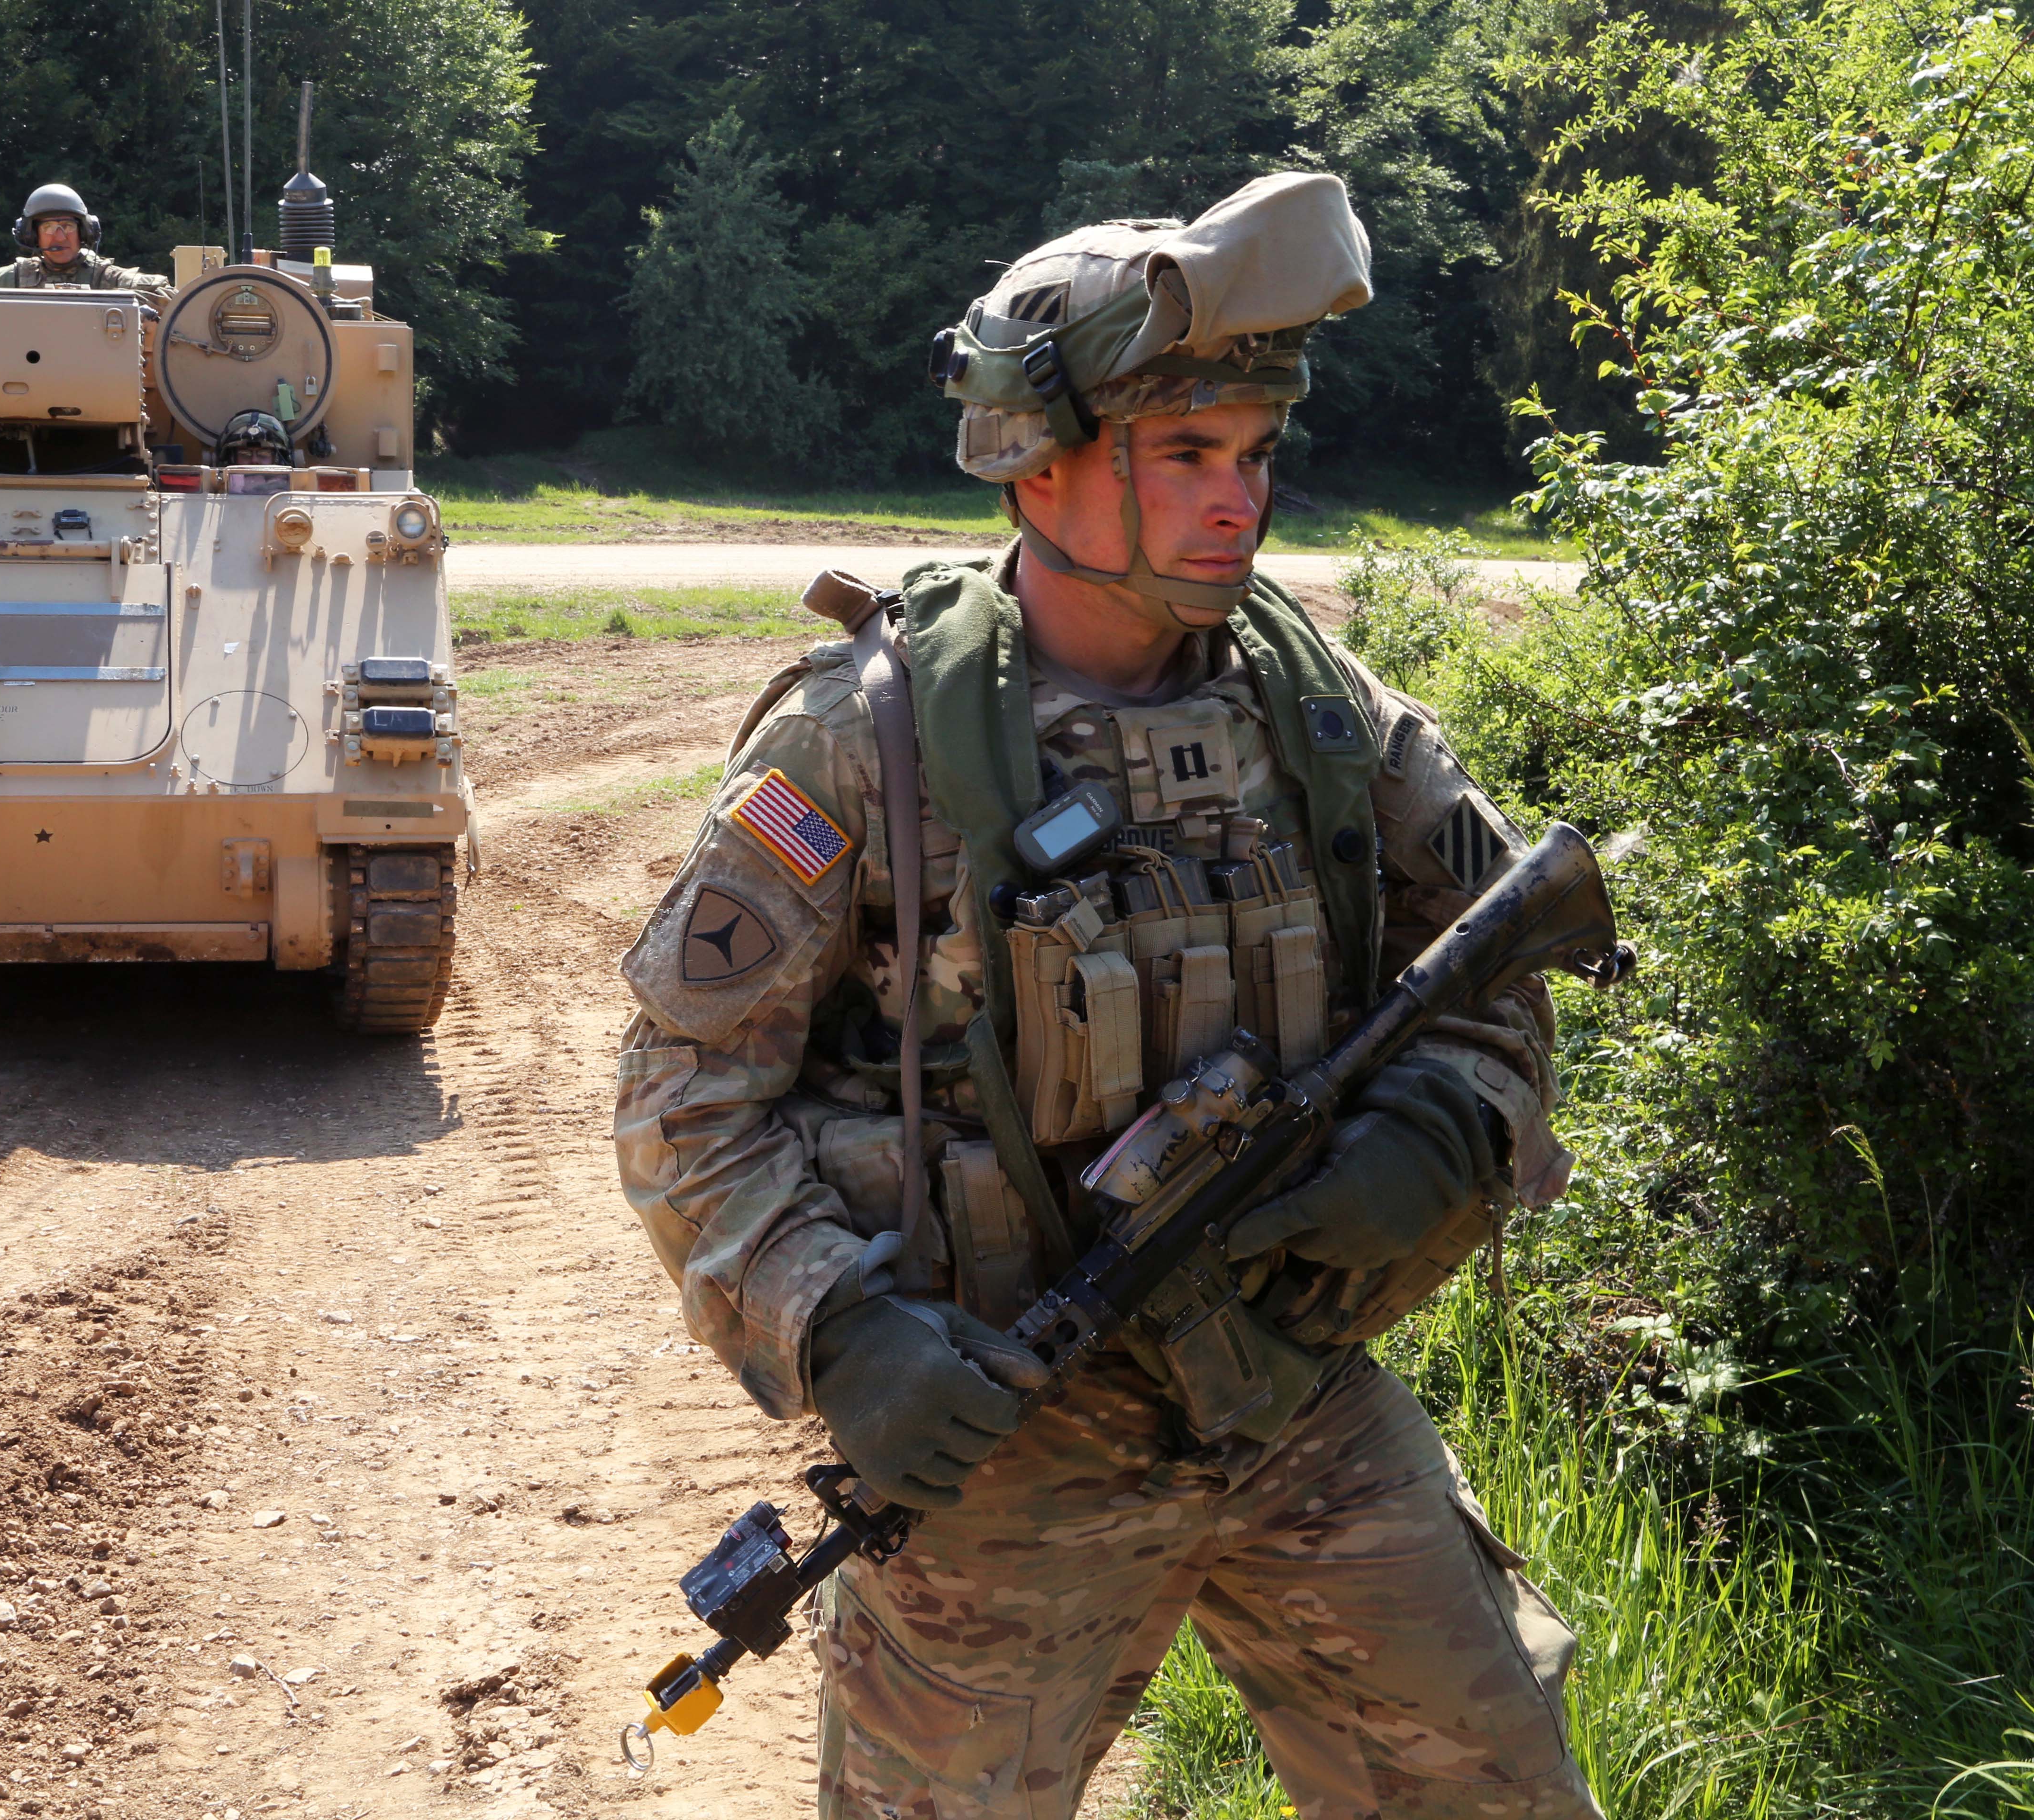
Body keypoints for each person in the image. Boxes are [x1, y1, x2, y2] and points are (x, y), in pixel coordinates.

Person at [613, 173, 1599, 1820]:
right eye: (1189, 454)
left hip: (1291, 1401)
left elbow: (1502, 960)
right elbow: (682, 1094)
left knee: (1494, 1786)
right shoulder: (870, 743)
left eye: (1258, 454)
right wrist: (842, 1328)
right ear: (1039, 461)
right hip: (1011, 1452)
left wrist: (1442, 1134)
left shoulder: (1320, 708)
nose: (1242, 502)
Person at [0, 184, 172, 303]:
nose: (59, 237)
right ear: (32, 235)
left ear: (84, 232)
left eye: (67, 226)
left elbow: (168, 295)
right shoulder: (15, 278)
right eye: (48, 228)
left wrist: (115, 299)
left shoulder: (104, 277)